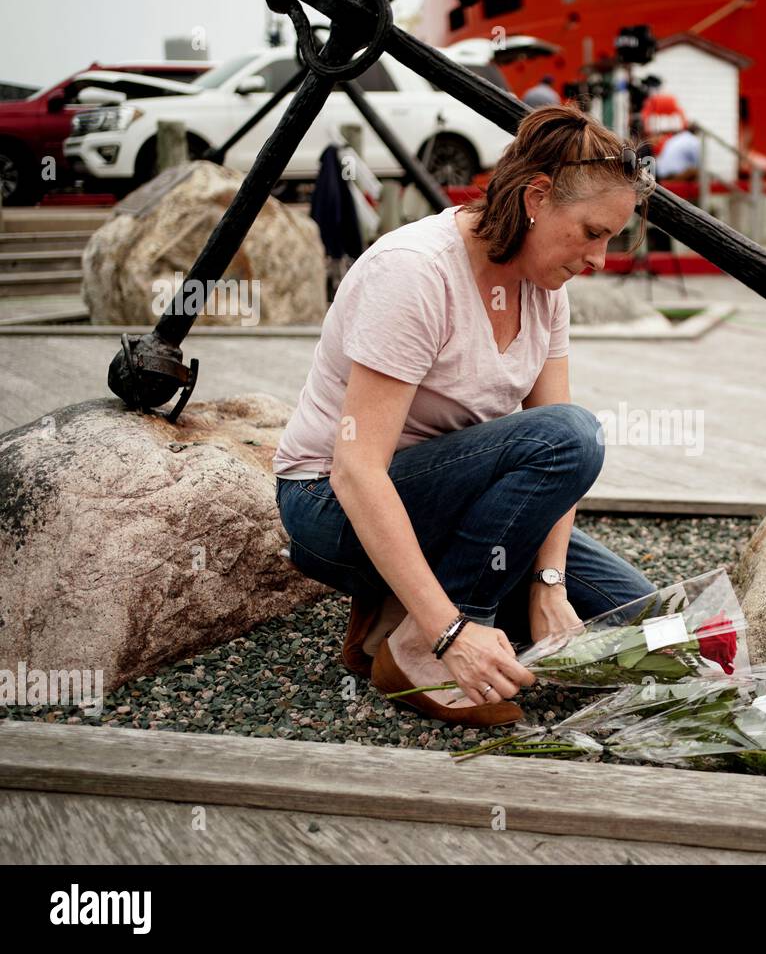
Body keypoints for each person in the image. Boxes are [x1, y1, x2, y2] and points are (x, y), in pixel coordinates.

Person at [273, 105, 659, 727]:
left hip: (450, 506)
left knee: (638, 617)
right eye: (592, 232)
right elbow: (356, 470)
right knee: (572, 436)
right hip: (333, 509)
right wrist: (453, 630)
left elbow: (554, 463)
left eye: (611, 239)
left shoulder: (544, 286)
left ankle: (395, 610)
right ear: (537, 198)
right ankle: (421, 643)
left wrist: (549, 583)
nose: (600, 259)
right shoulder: (415, 274)